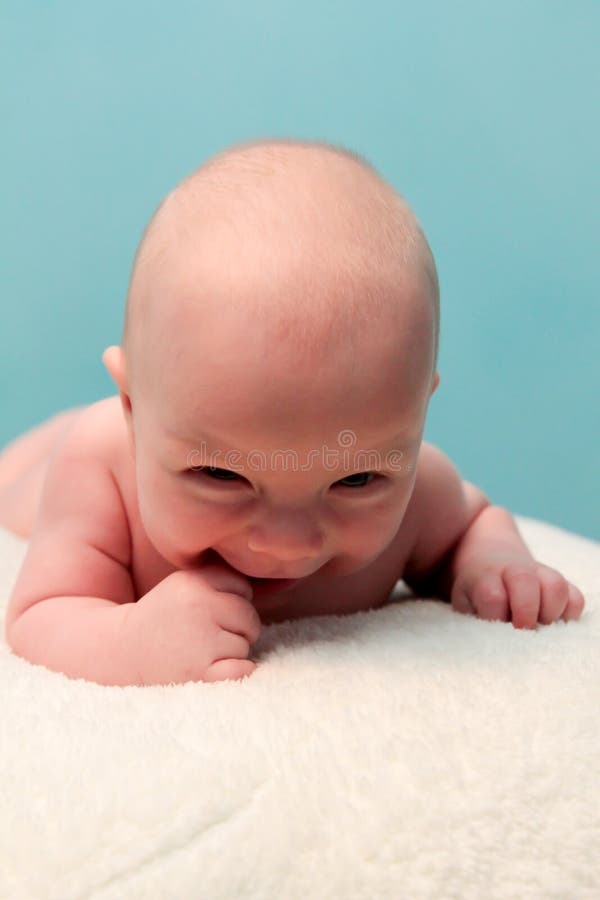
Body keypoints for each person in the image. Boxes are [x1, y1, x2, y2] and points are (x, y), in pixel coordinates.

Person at [1, 138, 585, 687]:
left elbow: (475, 520)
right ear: (133, 410)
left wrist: (495, 561)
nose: (287, 544)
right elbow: (40, 615)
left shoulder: (421, 494)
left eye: (355, 479)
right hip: (45, 468)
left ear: (416, 414)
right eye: (220, 475)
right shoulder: (103, 468)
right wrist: (128, 639)